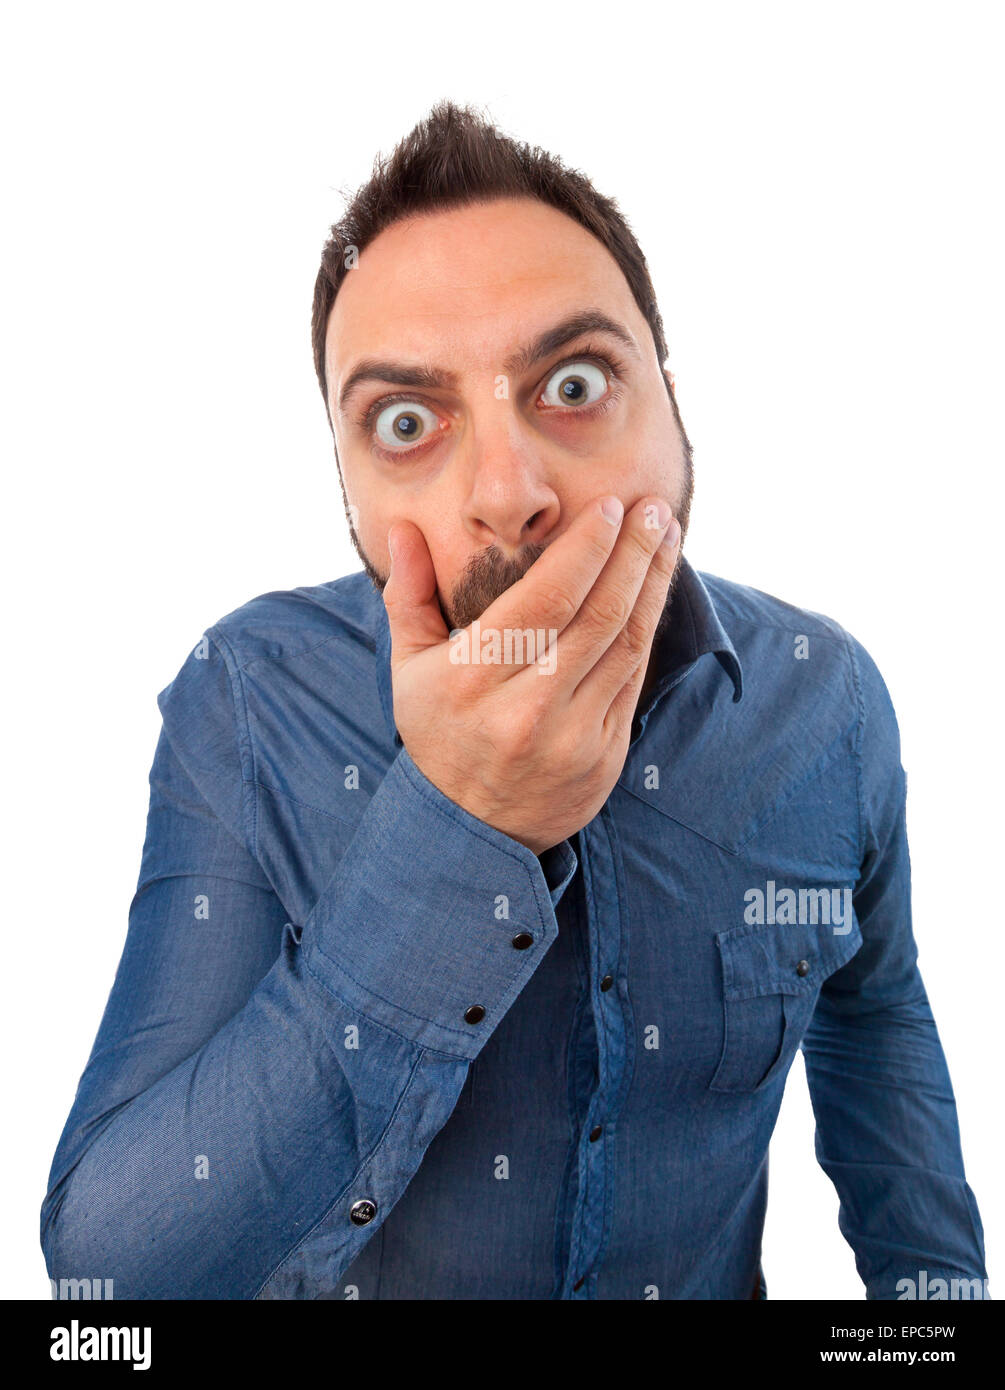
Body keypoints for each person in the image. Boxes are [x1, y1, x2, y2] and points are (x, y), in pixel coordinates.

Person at [40, 101, 988, 1300]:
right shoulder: (249, 701)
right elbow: (112, 1277)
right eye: (406, 422)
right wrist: (454, 824)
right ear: (345, 481)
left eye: (575, 382)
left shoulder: (829, 701)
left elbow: (879, 1022)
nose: (510, 490)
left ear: (674, 407)